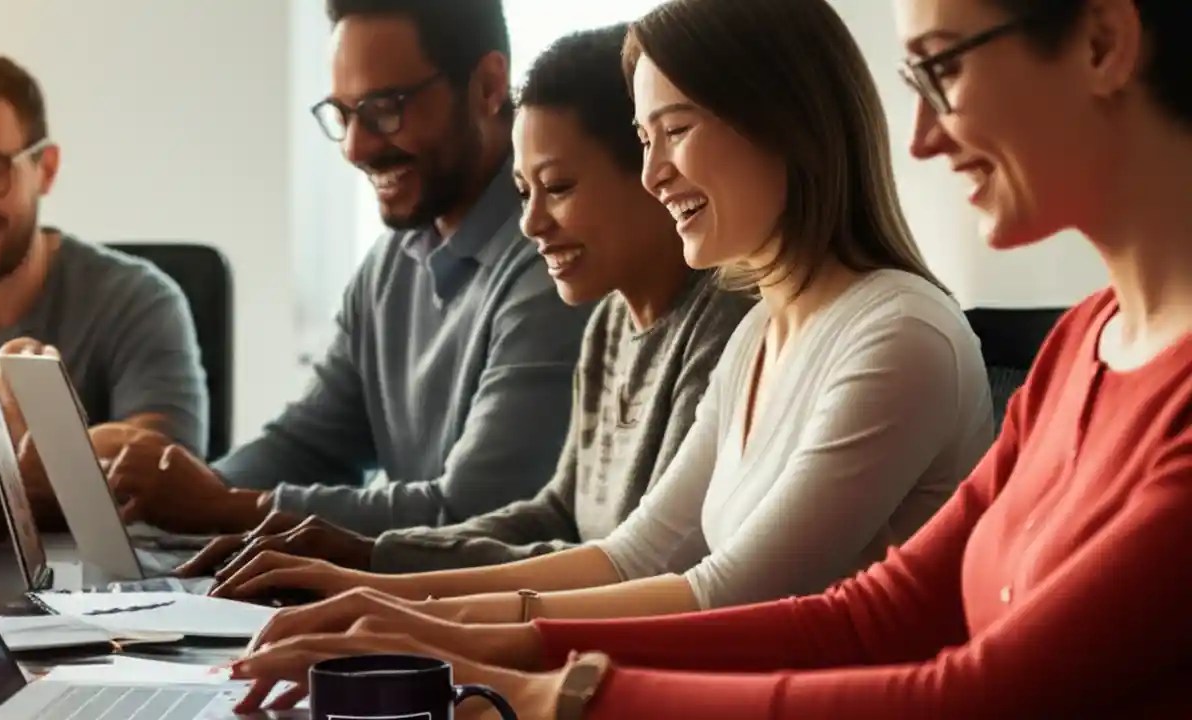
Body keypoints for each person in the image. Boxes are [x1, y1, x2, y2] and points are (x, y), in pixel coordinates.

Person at [230, 0, 1192, 717]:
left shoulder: (905, 334)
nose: (926, 136)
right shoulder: (1078, 345)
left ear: (1104, 43)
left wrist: (534, 685)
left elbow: (972, 691)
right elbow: (865, 615)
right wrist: (439, 632)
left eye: (941, 71)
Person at [212, 0, 991, 636]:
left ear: (785, 121)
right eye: (646, 139)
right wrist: (373, 590)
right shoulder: (762, 330)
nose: (654, 175)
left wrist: (427, 620)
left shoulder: (897, 336)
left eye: (675, 133)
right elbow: (631, 554)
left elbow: (723, 597)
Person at [173, 24, 753, 582]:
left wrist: (380, 572)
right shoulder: (607, 324)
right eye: (524, 192)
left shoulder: (724, 325)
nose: (531, 224)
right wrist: (369, 555)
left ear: (653, 175)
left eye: (559, 188)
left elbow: (635, 563)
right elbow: (554, 514)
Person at [106, 0, 595, 536]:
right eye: (343, 114)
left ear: (487, 86)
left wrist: (223, 508)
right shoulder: (391, 265)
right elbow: (309, 443)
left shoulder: (558, 262)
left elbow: (475, 512)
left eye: (385, 108)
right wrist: (168, 496)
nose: (356, 147)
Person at [0, 50, 208, 527]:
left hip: (103, 593)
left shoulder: (139, 299)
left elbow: (162, 474)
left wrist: (33, 440)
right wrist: (37, 454)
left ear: (45, 169)